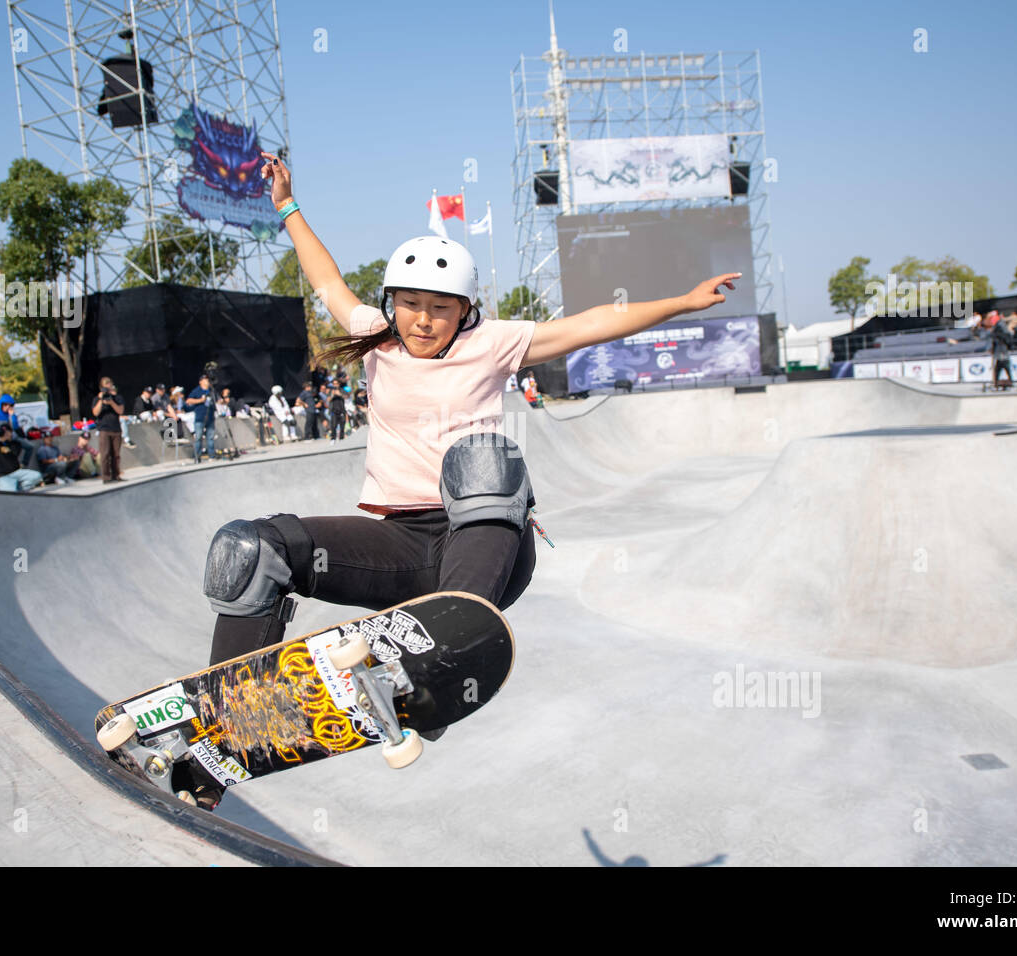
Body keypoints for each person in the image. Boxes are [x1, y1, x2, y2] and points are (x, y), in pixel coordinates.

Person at [176, 152, 740, 807]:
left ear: (465, 311)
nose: (422, 320)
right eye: (410, 305)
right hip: (402, 549)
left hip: (485, 539)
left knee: (482, 457)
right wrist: (286, 205)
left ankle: (440, 661)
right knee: (249, 550)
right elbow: (325, 278)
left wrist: (684, 302)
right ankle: (225, 735)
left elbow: (590, 324)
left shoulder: (493, 343)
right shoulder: (374, 338)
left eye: (440, 309)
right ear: (391, 304)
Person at [0, 424, 43, 492]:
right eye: (4, 432)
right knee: (10, 490)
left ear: (11, 432)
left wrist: (24, 463)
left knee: (37, 476)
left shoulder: (15, 443)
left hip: (16, 472)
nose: (5, 434)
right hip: (3, 475)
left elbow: (29, 447)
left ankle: (17, 488)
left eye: (6, 432)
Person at [0, 395, 39, 468]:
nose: (7, 407)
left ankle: (23, 465)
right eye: (5, 405)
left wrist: (12, 416)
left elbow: (15, 427)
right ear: (1, 404)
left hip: (11, 437)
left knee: (29, 447)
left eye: (10, 405)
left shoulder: (11, 415)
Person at [92, 377, 127, 482]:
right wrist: (101, 400)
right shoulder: (97, 399)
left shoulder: (117, 398)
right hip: (104, 429)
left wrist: (111, 402)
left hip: (116, 428)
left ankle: (116, 475)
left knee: (116, 455)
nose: (108, 388)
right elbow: (95, 413)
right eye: (105, 386)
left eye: (109, 385)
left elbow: (120, 411)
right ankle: (106, 477)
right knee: (105, 454)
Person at [186, 373, 218, 462]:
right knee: (198, 437)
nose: (207, 381)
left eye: (207, 380)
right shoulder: (197, 391)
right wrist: (201, 400)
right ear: (201, 382)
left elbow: (216, 400)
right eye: (205, 380)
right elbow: (188, 400)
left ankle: (212, 456)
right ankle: (197, 456)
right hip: (200, 417)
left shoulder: (211, 390)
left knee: (210, 437)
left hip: (210, 417)